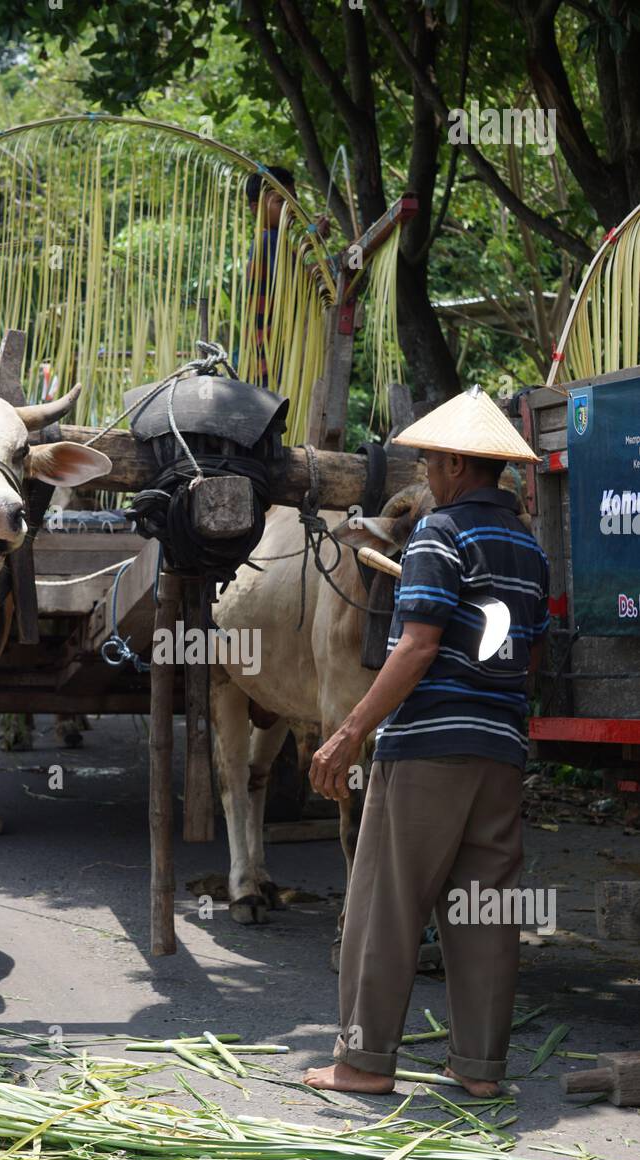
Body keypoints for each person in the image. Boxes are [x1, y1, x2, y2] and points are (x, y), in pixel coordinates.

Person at [303, 385, 547, 1099]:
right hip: (500, 750)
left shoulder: (443, 535)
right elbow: (525, 653)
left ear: (456, 466)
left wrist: (350, 733)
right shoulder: (527, 548)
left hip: (428, 751)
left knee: (386, 900)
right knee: (484, 909)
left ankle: (362, 1061)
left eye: (432, 462)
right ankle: (479, 1071)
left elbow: (416, 647)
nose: (427, 474)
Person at [244, 166, 329, 385]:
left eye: (294, 200)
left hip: (270, 358)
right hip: (273, 359)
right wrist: (350, 256)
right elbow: (300, 281)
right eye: (280, 202)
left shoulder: (277, 242)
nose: (291, 208)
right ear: (256, 209)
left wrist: (313, 237)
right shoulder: (268, 241)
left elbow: (296, 267)